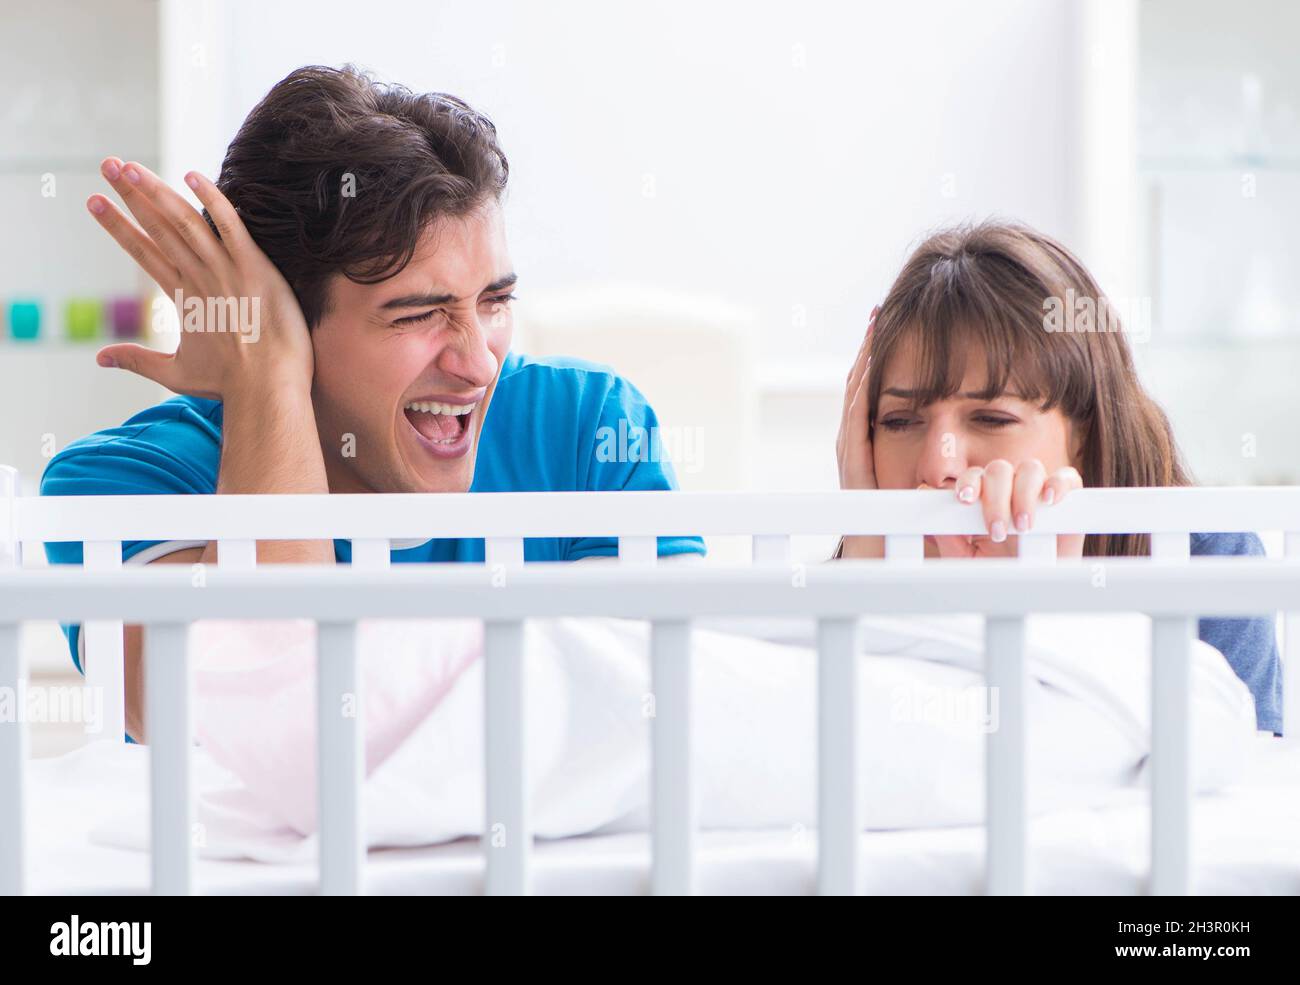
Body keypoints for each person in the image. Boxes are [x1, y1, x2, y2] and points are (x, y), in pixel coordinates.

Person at [42, 65, 703, 742]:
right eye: (419, 314)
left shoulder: (586, 426)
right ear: (289, 323)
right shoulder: (115, 486)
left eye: (495, 301)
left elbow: (659, 710)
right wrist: (266, 378)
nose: (478, 363)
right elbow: (259, 719)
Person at [834, 220, 1281, 734]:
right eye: (899, 421)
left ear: (1085, 432)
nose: (939, 464)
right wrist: (863, 564)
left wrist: (1052, 626)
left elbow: (1224, 793)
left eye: (992, 418)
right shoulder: (842, 580)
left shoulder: (1206, 559)